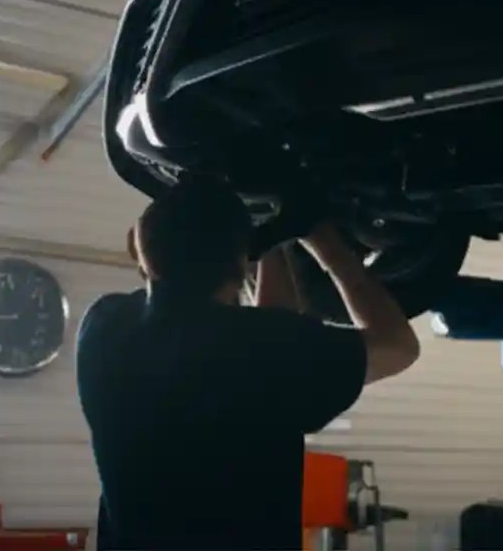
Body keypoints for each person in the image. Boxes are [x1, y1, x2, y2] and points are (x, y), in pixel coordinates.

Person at [76, 177, 420, 550]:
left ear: (142, 253)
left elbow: (268, 332)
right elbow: (398, 346)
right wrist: (327, 245)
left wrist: (272, 241)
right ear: (241, 266)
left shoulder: (103, 328)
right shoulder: (264, 350)